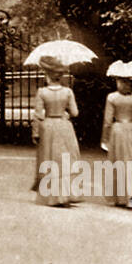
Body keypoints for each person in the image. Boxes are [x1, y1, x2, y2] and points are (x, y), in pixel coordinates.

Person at [31, 55, 82, 206]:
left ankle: (52, 194)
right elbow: (75, 113)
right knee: (66, 158)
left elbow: (38, 115)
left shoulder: (42, 92)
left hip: (48, 126)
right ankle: (67, 193)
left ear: (48, 75)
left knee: (49, 159)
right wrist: (64, 113)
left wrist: (35, 132)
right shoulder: (67, 92)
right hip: (64, 126)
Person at [101, 60, 132, 207]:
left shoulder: (112, 97)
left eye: (119, 81)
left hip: (118, 130)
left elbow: (107, 121)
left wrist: (105, 138)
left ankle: (121, 197)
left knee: (119, 162)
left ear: (120, 82)